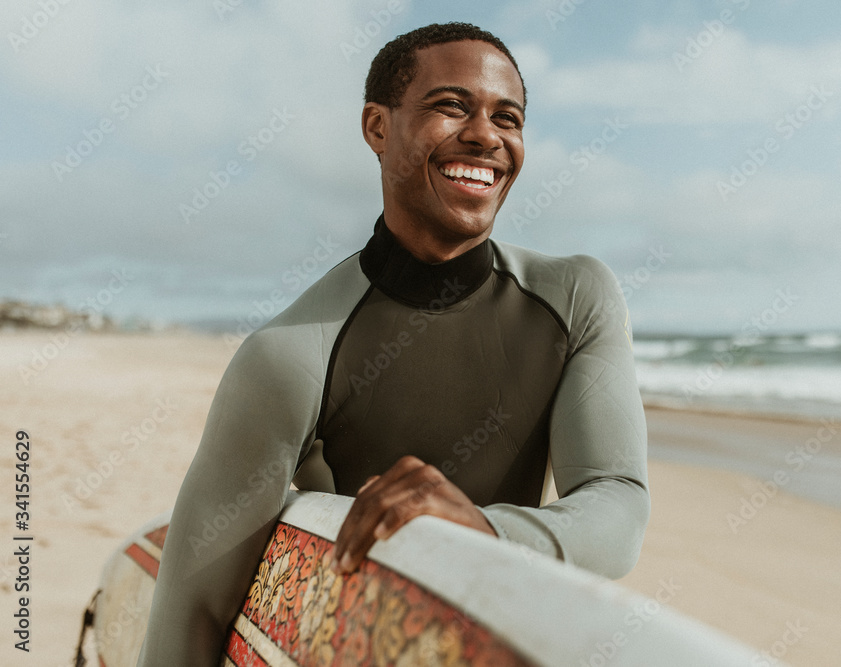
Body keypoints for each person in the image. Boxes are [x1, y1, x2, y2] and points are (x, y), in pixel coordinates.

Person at [138, 22, 649, 666]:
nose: (486, 136)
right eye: (451, 106)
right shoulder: (293, 353)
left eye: (508, 118)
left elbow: (617, 505)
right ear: (377, 127)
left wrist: (484, 529)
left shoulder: (575, 297)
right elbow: (195, 609)